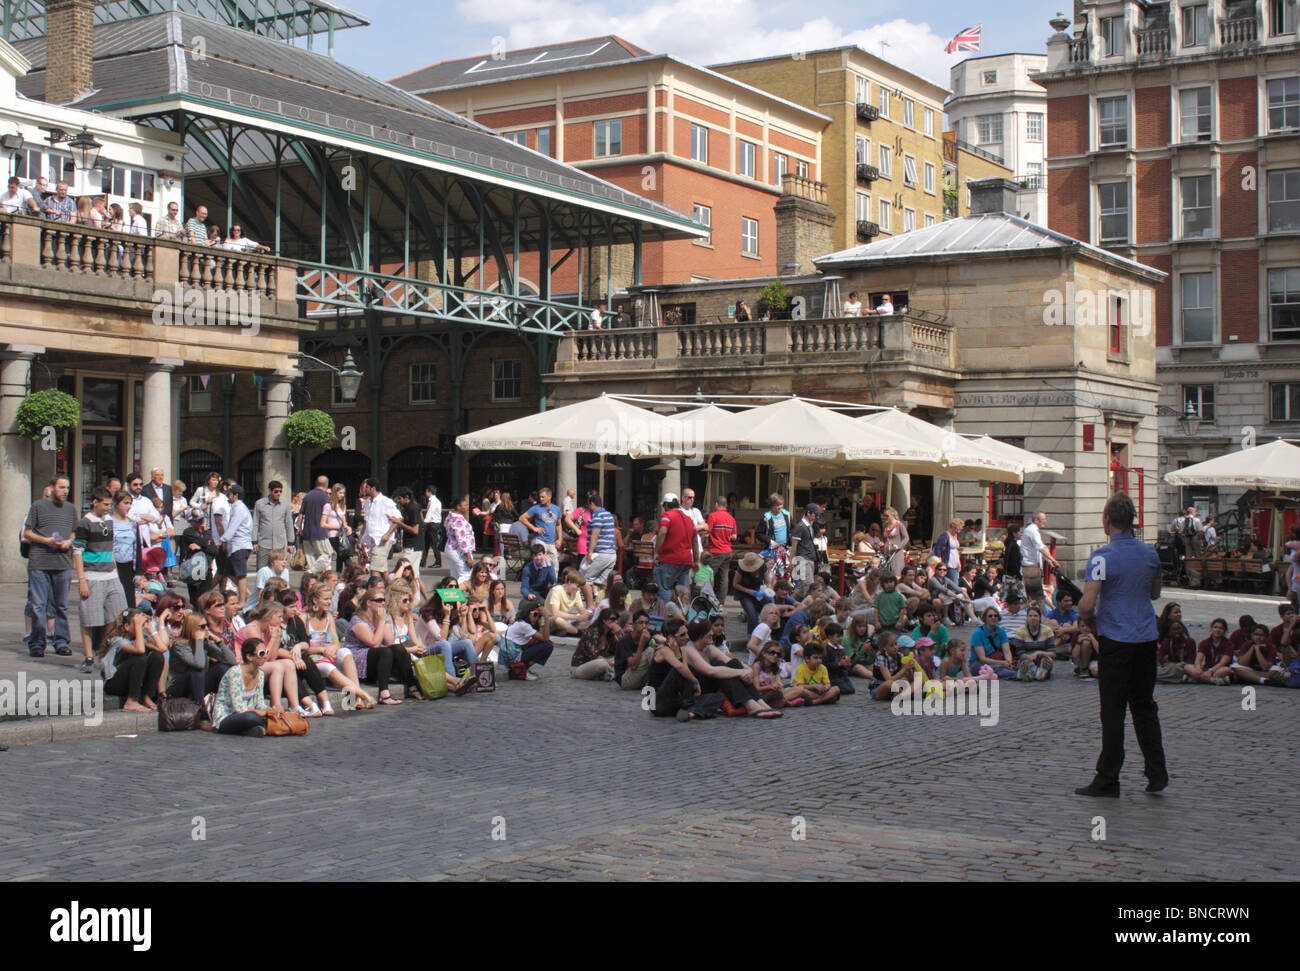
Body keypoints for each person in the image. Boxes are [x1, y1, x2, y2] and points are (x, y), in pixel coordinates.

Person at [1076, 492, 1168, 797]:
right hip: (1145, 636)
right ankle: (1156, 771)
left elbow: (1088, 604)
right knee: (1144, 707)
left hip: (1116, 638)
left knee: (1113, 711)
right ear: (1133, 521)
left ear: (1106, 520)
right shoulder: (1150, 555)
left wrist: (1089, 622)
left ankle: (1109, 777)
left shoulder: (1102, 557)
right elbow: (1155, 594)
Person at [72, 487, 128, 672]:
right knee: (90, 618)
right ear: (94, 502)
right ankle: (88, 656)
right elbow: (77, 552)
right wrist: (82, 580)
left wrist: (116, 572)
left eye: (109, 504)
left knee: (118, 615)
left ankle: (104, 650)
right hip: (92, 576)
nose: (107, 508)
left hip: (110, 575)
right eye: (105, 504)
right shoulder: (84, 523)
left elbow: (110, 547)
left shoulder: (109, 521)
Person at [682, 617, 781, 718]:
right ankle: (750, 704)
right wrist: (740, 672)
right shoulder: (689, 650)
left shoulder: (708, 648)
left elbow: (730, 661)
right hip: (697, 690)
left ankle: (759, 702)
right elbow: (710, 671)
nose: (712, 633)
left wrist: (746, 669)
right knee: (719, 666)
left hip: (710, 685)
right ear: (700, 635)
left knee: (734, 663)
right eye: (709, 631)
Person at [23, 474, 77, 658]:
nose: (65, 491)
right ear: (52, 487)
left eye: (67, 488)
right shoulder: (38, 506)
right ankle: (37, 642)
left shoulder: (70, 509)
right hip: (40, 561)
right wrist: (45, 540)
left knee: (61, 605)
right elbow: (27, 532)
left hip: (62, 562)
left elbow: (74, 533)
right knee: (38, 604)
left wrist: (69, 542)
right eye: (62, 487)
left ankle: (61, 641)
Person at [97, 609, 168, 712]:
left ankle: (147, 697)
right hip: (113, 684)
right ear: (126, 627)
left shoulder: (139, 639)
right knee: (140, 659)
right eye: (137, 624)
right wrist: (138, 627)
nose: (141, 627)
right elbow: (139, 650)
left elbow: (163, 649)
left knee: (157, 657)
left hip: (131, 683)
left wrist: (151, 630)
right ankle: (131, 701)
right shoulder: (117, 640)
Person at [210, 637, 271, 736]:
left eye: (266, 652)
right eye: (261, 653)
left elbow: (260, 703)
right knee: (251, 717)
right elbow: (238, 707)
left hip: (248, 714)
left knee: (259, 716)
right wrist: (260, 713)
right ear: (249, 657)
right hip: (227, 716)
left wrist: (270, 710)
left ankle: (250, 730)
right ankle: (262, 726)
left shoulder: (260, 674)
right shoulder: (235, 672)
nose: (265, 656)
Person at [653, 493, 697, 602]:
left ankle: (669, 613)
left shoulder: (667, 516)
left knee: (664, 588)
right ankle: (683, 614)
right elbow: (695, 541)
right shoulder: (689, 519)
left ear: (666, 505)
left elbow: (662, 532)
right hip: (686, 560)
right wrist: (696, 560)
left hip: (669, 559)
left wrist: (656, 553)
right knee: (683, 592)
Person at [579, 493, 618, 601]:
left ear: (591, 503)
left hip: (599, 553)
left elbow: (595, 535)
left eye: (588, 506)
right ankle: (606, 605)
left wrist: (589, 553)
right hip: (611, 554)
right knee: (602, 583)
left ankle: (590, 606)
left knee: (583, 578)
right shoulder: (609, 515)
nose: (588, 509)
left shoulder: (597, 515)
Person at [219, 482, 254, 604]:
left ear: (236, 495)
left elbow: (233, 527)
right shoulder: (235, 507)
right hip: (235, 546)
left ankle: (243, 601)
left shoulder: (239, 508)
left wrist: (222, 540)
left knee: (240, 575)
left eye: (230, 495)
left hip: (240, 545)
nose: (228, 497)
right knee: (229, 573)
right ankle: (248, 594)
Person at [504, 600, 556, 680]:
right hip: (513, 657)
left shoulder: (520, 622)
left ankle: (522, 668)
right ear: (528, 613)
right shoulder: (524, 625)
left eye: (539, 616)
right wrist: (546, 618)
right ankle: (523, 669)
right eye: (535, 615)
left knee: (538, 641)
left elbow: (524, 643)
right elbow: (546, 638)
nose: (537, 618)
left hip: (511, 653)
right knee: (548, 645)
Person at [252, 480, 295, 572]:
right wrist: (254, 541)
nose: (278, 493)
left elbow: (289, 524)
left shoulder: (285, 505)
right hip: (264, 543)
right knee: (262, 570)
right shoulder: (260, 504)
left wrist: (291, 543)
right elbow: (255, 523)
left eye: (280, 491)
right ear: (270, 491)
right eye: (276, 491)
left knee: (278, 570)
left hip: (279, 544)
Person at [571, 610, 621, 680]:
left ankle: (609, 674)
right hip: (581, 667)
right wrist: (611, 662)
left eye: (616, 619)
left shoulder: (610, 635)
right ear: (604, 620)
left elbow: (620, 651)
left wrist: (618, 634)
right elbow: (594, 656)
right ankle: (613, 673)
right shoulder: (592, 632)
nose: (615, 622)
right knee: (602, 664)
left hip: (599, 664)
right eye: (612, 619)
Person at [1019, 510, 1057, 602]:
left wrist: (1049, 560)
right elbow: (1041, 548)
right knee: (1037, 597)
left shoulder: (1034, 530)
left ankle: (1045, 612)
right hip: (1030, 566)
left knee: (1035, 597)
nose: (1045, 521)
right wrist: (1053, 560)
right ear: (1036, 520)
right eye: (1043, 519)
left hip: (1032, 566)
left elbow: (1042, 547)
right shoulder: (1032, 531)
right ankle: (1048, 613)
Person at [519, 487, 561, 559]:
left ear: (549, 497)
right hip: (539, 539)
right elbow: (522, 518)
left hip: (551, 542)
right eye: (540, 497)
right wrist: (534, 528)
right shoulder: (536, 508)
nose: (540, 499)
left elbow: (558, 524)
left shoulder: (557, 509)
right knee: (541, 562)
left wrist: (560, 539)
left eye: (543, 497)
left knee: (554, 566)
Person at [442, 495, 476, 583]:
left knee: (455, 576)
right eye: (464, 505)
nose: (467, 507)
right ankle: (455, 592)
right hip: (458, 551)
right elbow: (462, 540)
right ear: (458, 507)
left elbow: (445, 525)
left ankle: (453, 595)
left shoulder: (451, 517)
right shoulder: (458, 520)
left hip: (451, 548)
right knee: (466, 576)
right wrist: (468, 556)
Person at [731, 550, 767, 634]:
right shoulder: (741, 570)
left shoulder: (763, 567)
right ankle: (751, 636)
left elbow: (768, 581)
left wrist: (766, 590)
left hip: (758, 591)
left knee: (765, 612)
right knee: (752, 615)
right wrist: (749, 591)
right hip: (744, 593)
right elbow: (735, 584)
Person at [422, 485, 443, 568]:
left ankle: (438, 562)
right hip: (432, 523)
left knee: (434, 544)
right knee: (426, 543)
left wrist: (424, 522)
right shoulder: (434, 501)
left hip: (433, 524)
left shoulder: (433, 501)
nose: (425, 493)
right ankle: (423, 561)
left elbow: (430, 513)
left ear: (429, 492)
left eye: (426, 491)